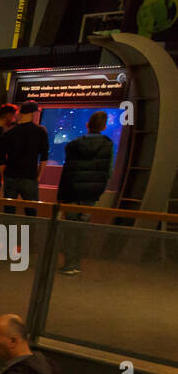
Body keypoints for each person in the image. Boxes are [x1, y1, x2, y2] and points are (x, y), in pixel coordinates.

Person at [55, 111, 114, 277]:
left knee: (70, 229)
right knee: (81, 229)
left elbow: (67, 172)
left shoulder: (73, 144)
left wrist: (61, 195)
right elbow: (107, 171)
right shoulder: (107, 144)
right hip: (90, 195)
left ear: (88, 125)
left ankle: (68, 263)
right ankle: (76, 263)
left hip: (72, 193)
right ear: (104, 126)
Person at [0, 101, 49, 216]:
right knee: (31, 211)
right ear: (33, 113)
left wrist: (4, 176)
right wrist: (39, 176)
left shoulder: (10, 132)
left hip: (11, 176)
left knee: (9, 211)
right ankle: (29, 233)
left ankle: (8, 233)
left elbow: (1, 158)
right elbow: (44, 156)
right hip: (29, 176)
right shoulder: (40, 131)